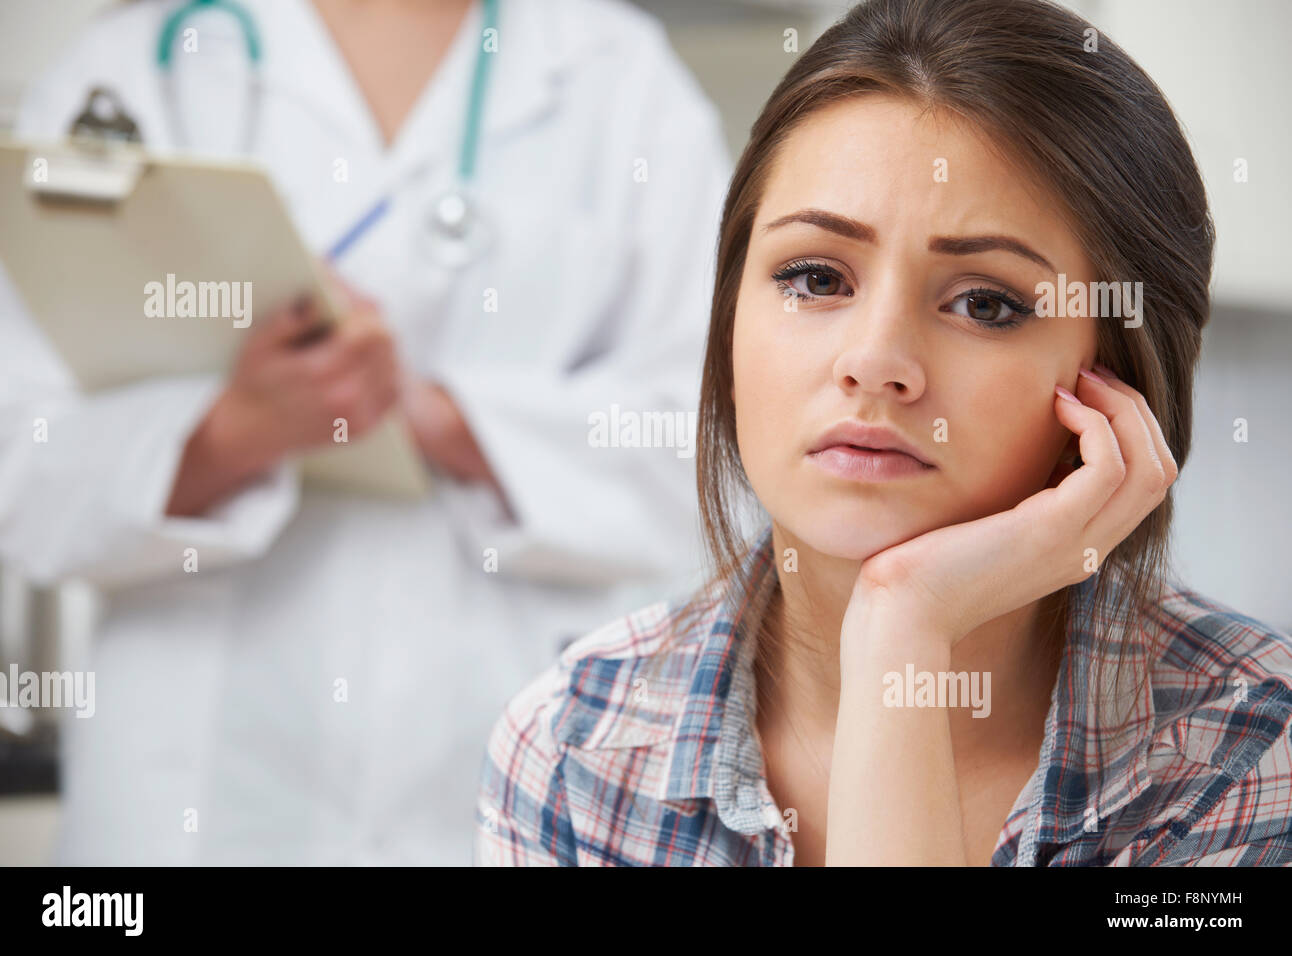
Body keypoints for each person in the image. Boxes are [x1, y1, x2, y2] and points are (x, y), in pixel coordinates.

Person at [474, 0, 1292, 866]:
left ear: (1117, 375)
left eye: (985, 303)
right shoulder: (575, 749)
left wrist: (904, 623)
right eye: (816, 277)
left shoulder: (1233, 751)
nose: (876, 362)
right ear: (727, 323)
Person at [0, 0, 730, 864]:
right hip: (185, 795)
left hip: (511, 770)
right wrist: (232, 434)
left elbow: (717, 447)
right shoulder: (134, 66)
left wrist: (434, 418)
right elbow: (16, 459)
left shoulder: (619, 79)